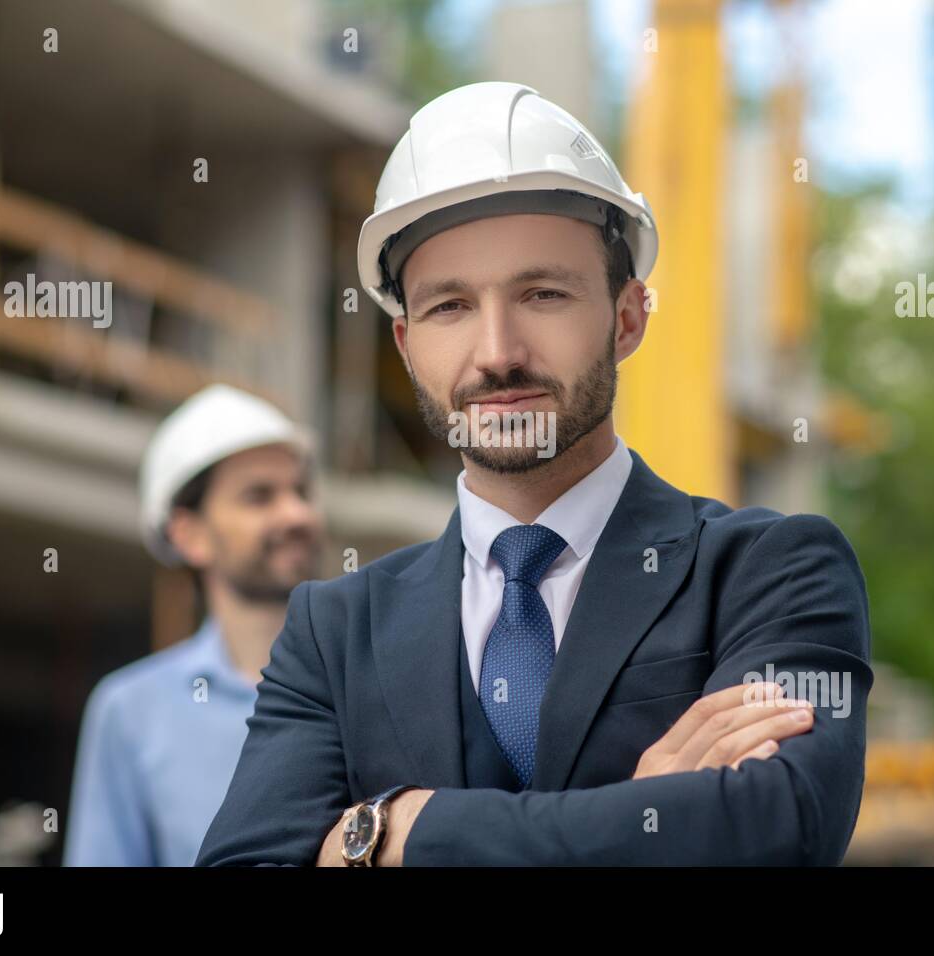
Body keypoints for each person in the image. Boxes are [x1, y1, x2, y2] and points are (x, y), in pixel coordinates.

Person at [197, 81, 872, 867]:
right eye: (450, 307)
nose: (497, 353)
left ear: (626, 318)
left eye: (542, 294)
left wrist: (385, 834)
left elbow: (774, 830)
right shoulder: (334, 631)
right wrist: (642, 812)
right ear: (407, 343)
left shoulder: (771, 571)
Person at [64, 384, 323, 866]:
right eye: (259, 496)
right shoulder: (131, 712)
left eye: (300, 491)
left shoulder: (369, 681)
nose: (298, 514)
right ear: (191, 535)